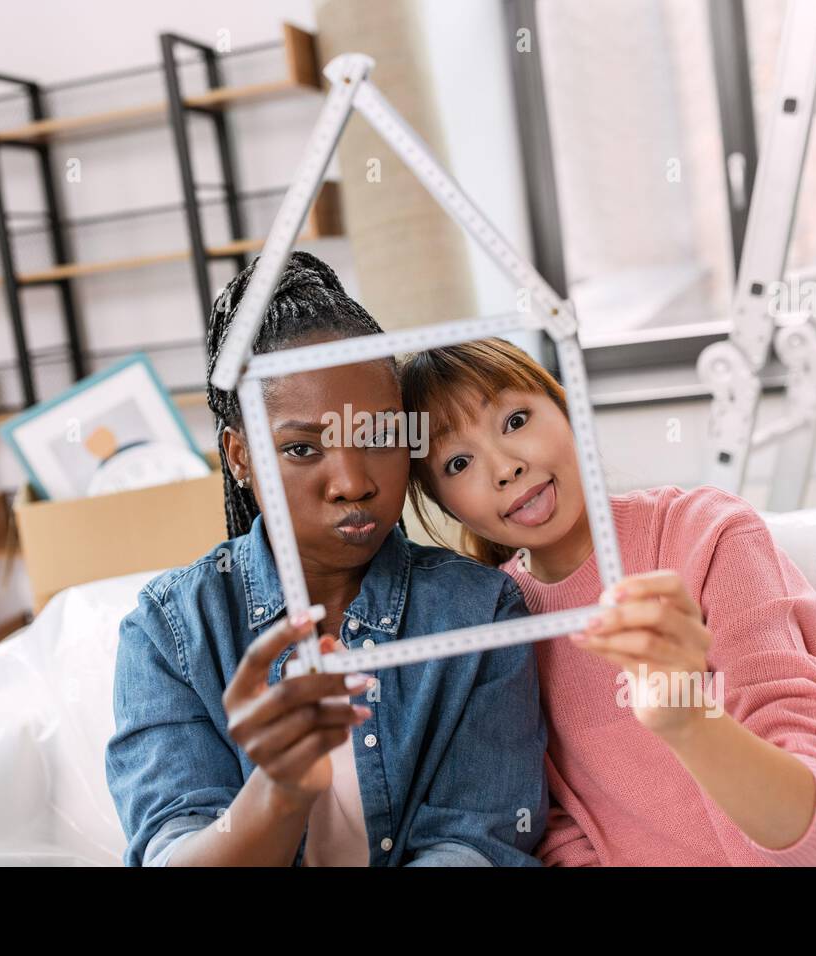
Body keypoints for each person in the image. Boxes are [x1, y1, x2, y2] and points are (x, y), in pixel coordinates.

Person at [106, 254, 547, 866]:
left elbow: (476, 846)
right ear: (240, 456)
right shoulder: (170, 633)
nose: (351, 482)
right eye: (303, 448)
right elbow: (172, 853)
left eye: (378, 435)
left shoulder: (481, 614)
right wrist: (279, 792)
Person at [400, 337, 816, 866]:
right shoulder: (499, 621)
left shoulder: (707, 534)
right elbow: (561, 836)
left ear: (566, 409)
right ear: (445, 506)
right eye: (458, 462)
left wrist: (688, 720)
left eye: (515, 421)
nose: (504, 467)